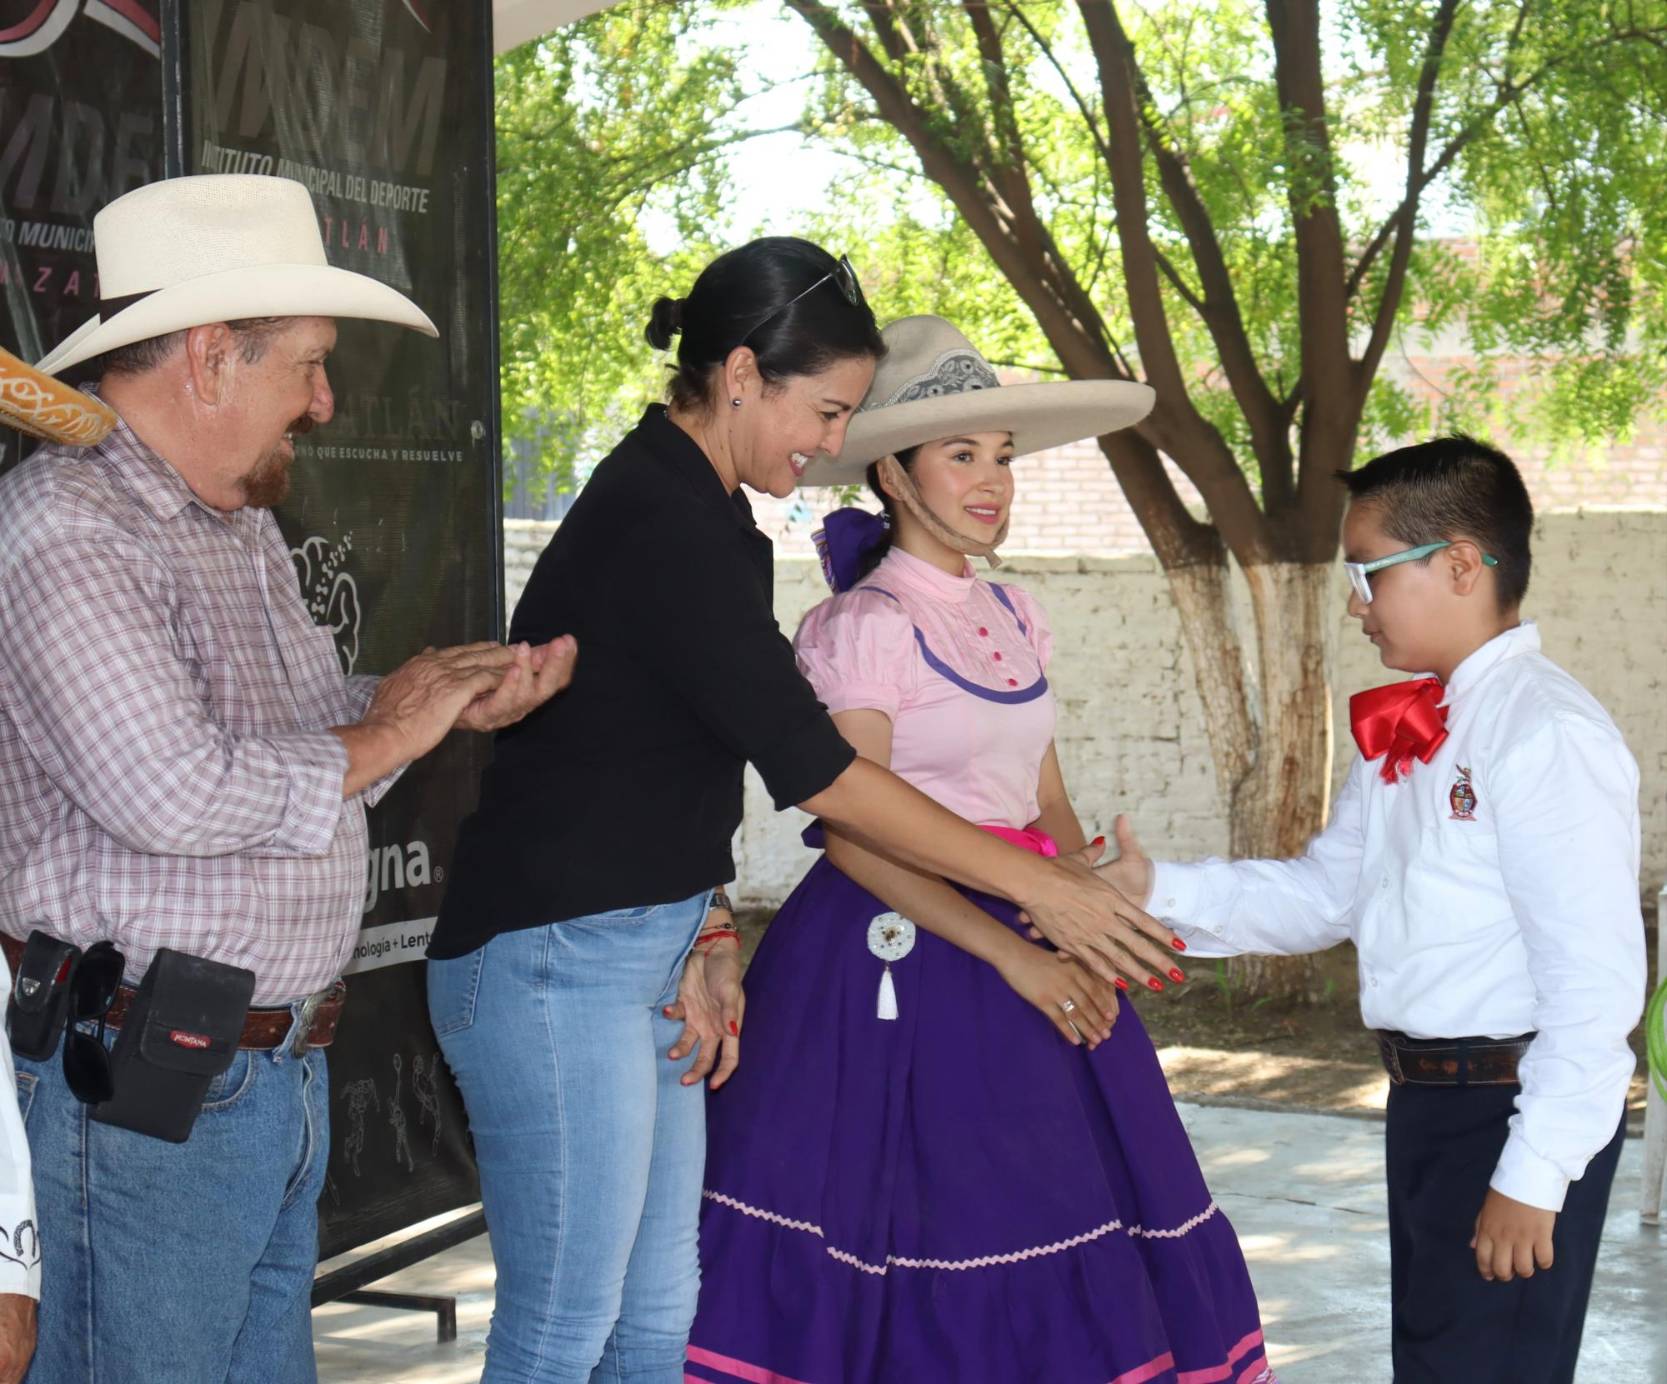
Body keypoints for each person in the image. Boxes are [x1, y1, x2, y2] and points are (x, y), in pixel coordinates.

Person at [429, 245, 1185, 1384]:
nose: (832, 442)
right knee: (566, 1326)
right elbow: (818, 772)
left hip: (641, 948)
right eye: (828, 411)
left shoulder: (713, 516)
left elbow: (660, 761)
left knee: (656, 1318)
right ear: (741, 373)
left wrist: (705, 923)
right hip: (554, 955)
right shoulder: (661, 517)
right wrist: (1041, 887)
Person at [0, 174, 576, 1383]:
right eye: (307, 364)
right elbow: (171, 789)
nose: (322, 402)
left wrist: (430, 703)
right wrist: (391, 733)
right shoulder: (66, 524)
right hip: (145, 1084)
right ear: (211, 356)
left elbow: (311, 737)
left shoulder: (230, 518)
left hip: (256, 1073)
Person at [687, 315, 1275, 1384]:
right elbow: (852, 830)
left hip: (1033, 930)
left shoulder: (1014, 611)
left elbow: (1042, 797)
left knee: (1056, 1207)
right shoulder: (861, 626)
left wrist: (1091, 906)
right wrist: (1015, 953)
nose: (992, 481)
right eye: (961, 455)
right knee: (934, 1221)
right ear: (894, 475)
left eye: (1001, 456)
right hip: (901, 954)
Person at [1099, 436, 1645, 1383]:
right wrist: (1154, 891)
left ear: (1461, 565)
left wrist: (1534, 1172)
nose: (1355, 603)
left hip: (1512, 1110)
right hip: (1425, 1101)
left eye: (1368, 573)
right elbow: (1324, 896)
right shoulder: (1408, 726)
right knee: (1433, 1363)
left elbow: (1593, 988)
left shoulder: (1544, 732)